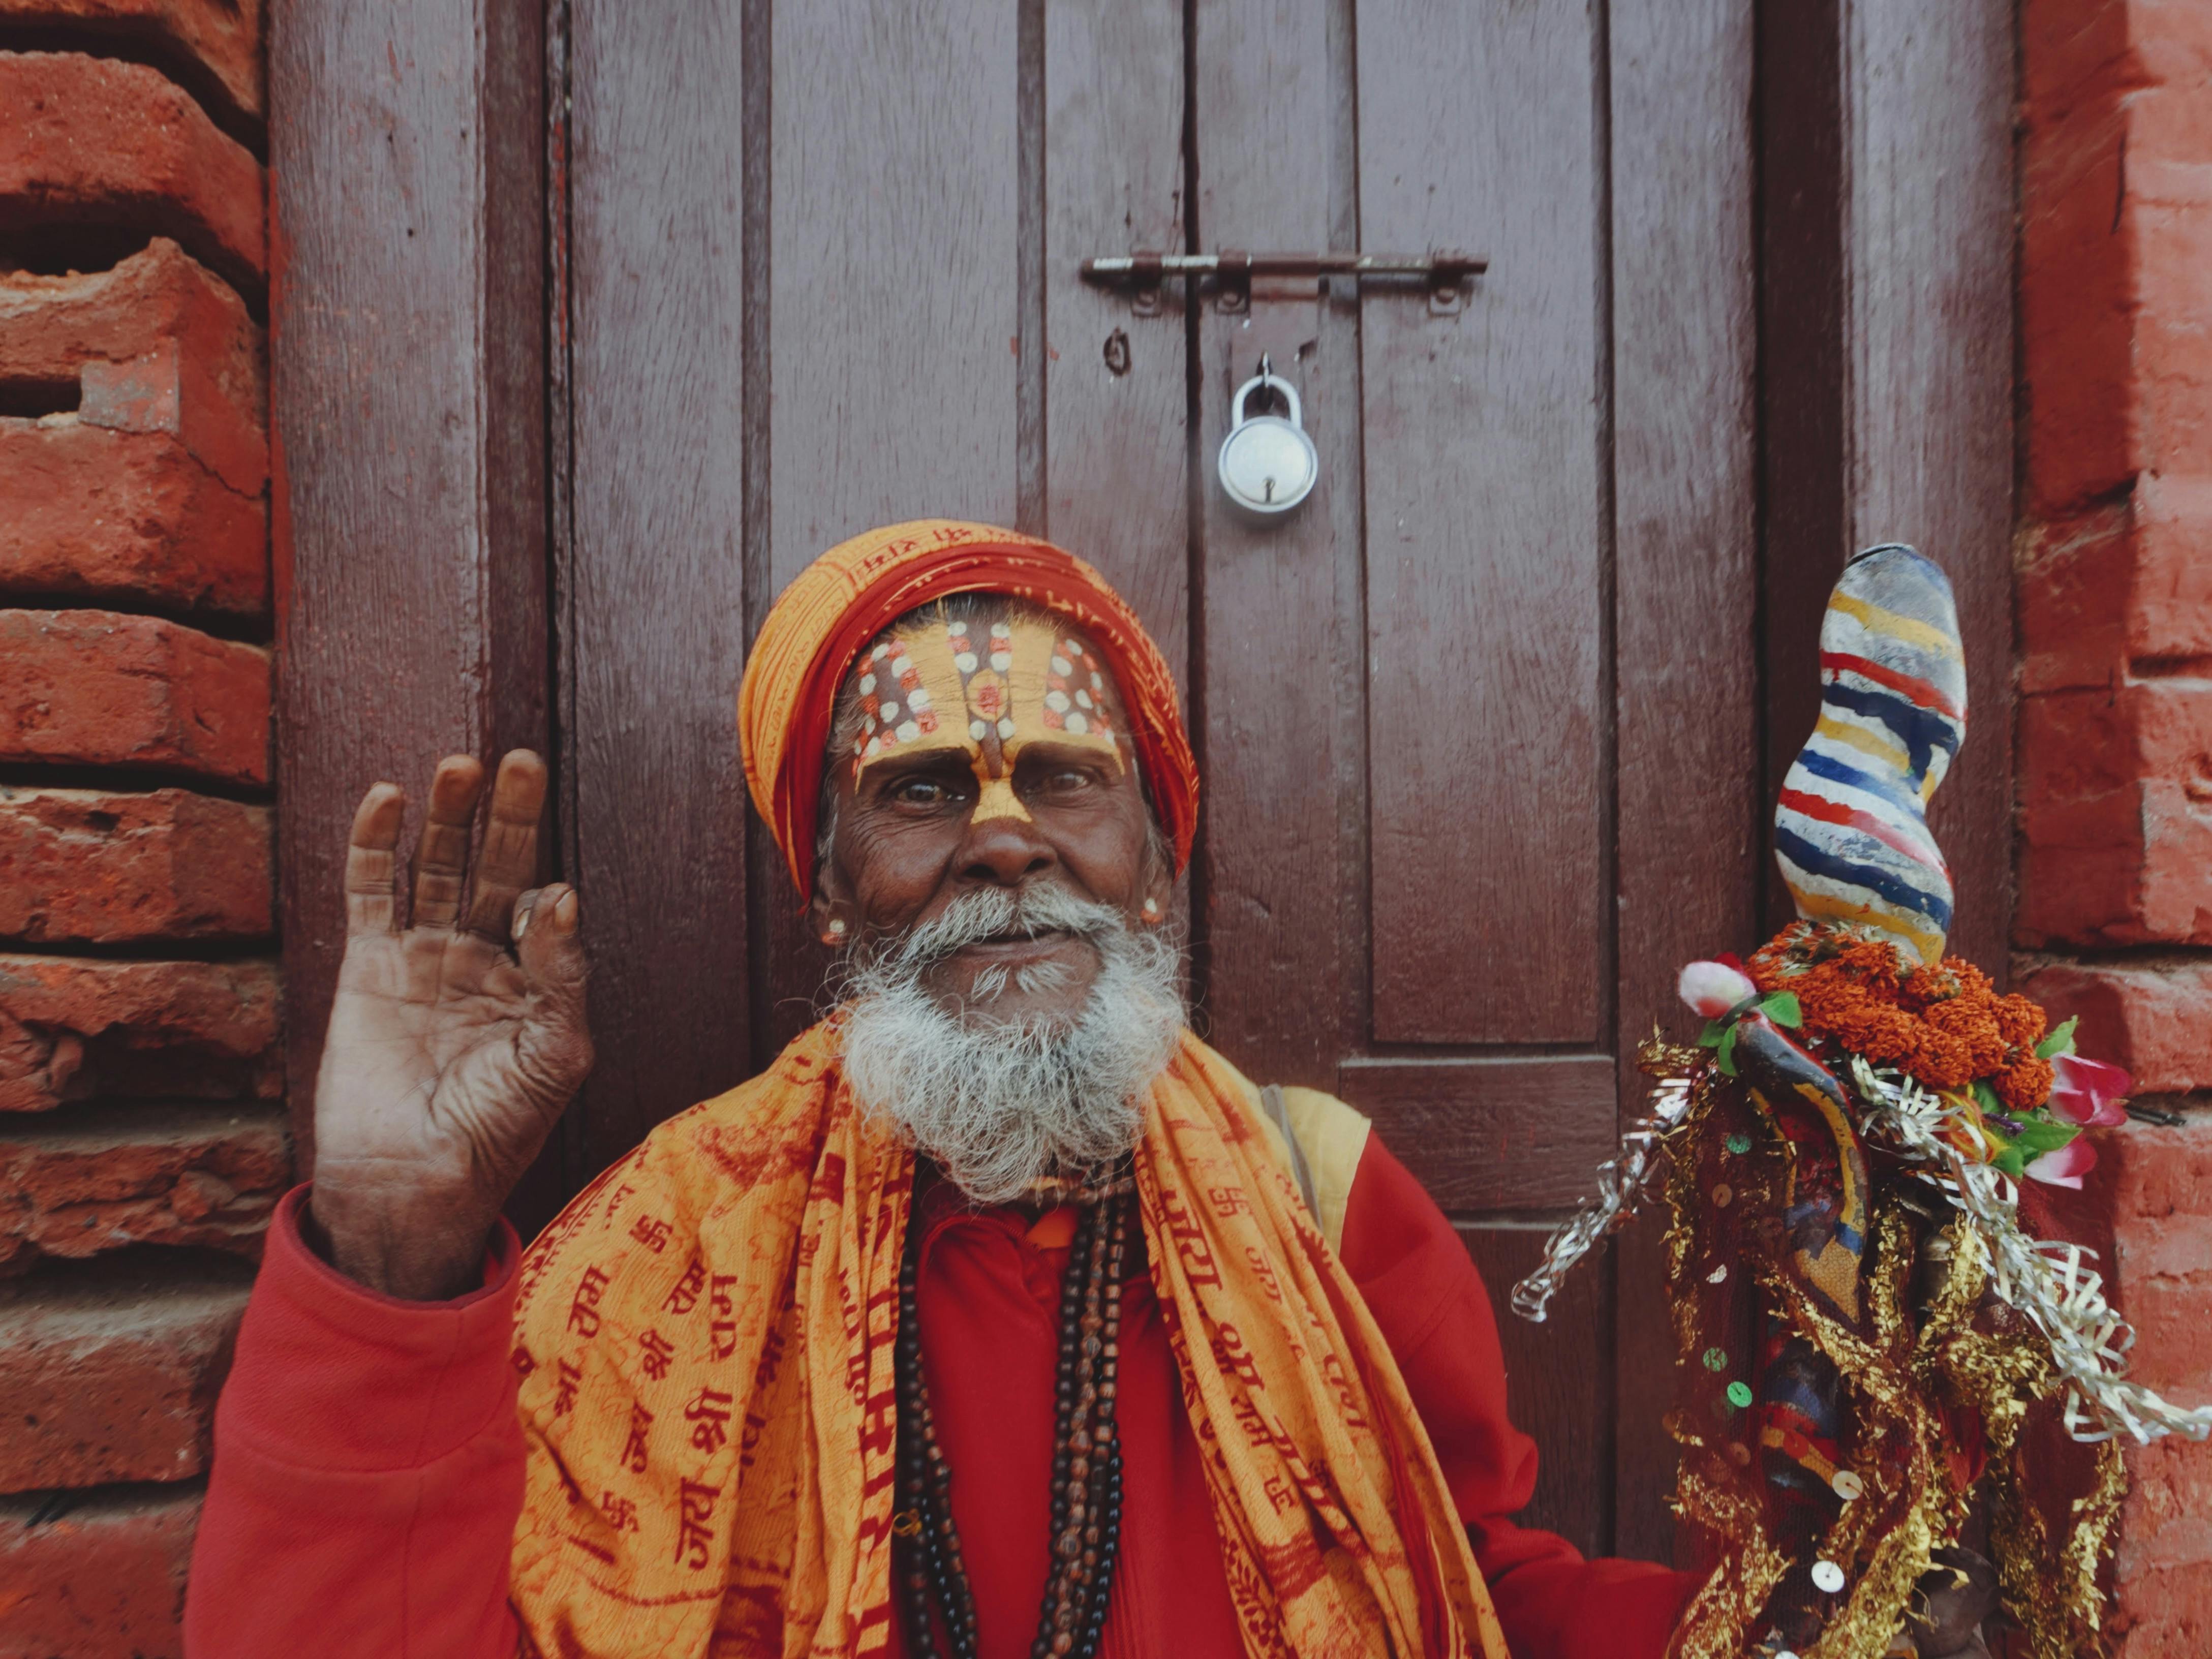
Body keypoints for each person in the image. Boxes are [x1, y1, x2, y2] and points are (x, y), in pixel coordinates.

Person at [183, 520, 1693, 1658]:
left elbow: (1466, 1594)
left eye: (1063, 778)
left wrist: (1805, 1608)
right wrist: (394, 1249)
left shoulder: (1330, 1193)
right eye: (919, 794)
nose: (1005, 841)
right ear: (830, 895)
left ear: (1155, 867)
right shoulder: (671, 1241)